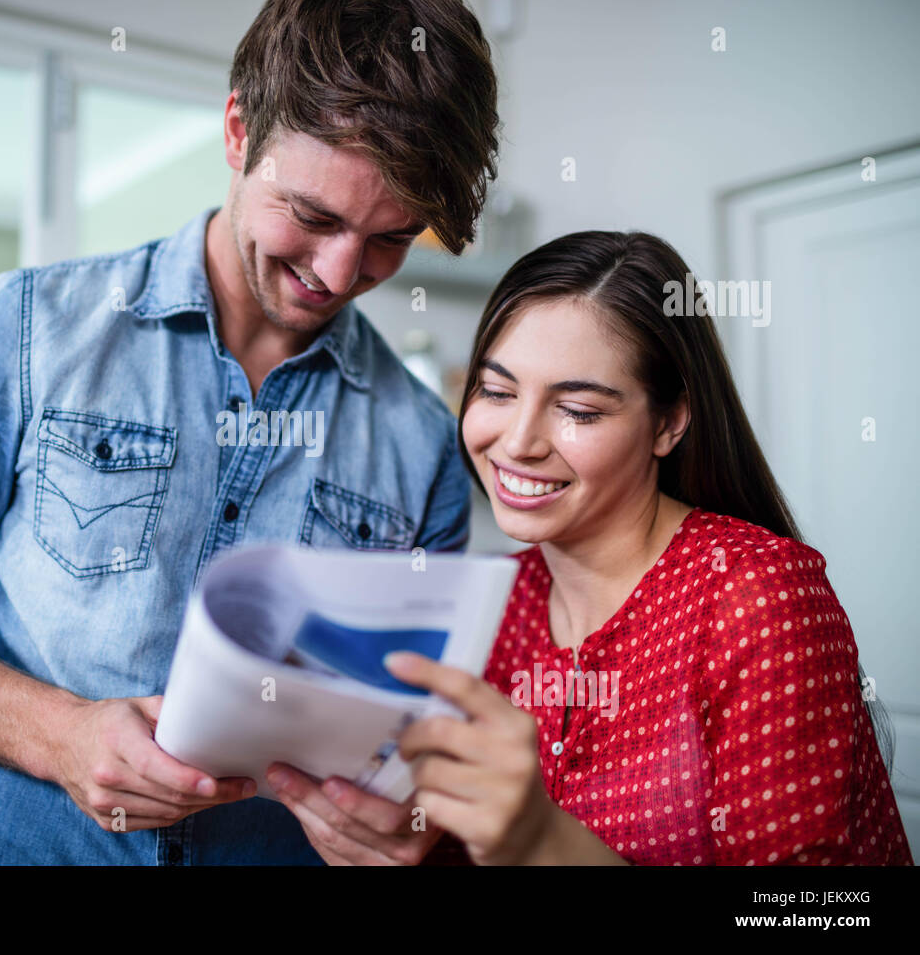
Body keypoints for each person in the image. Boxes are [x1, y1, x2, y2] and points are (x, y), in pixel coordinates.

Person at [0, 0, 500, 865]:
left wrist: (408, 828)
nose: (339, 273)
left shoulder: (425, 442)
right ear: (238, 131)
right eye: (314, 217)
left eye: (391, 239)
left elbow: (411, 746)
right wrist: (56, 734)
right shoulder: (28, 329)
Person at [268, 230, 914, 866]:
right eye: (495, 391)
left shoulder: (754, 596)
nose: (517, 441)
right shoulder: (485, 600)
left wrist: (544, 844)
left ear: (669, 422)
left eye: (577, 409)